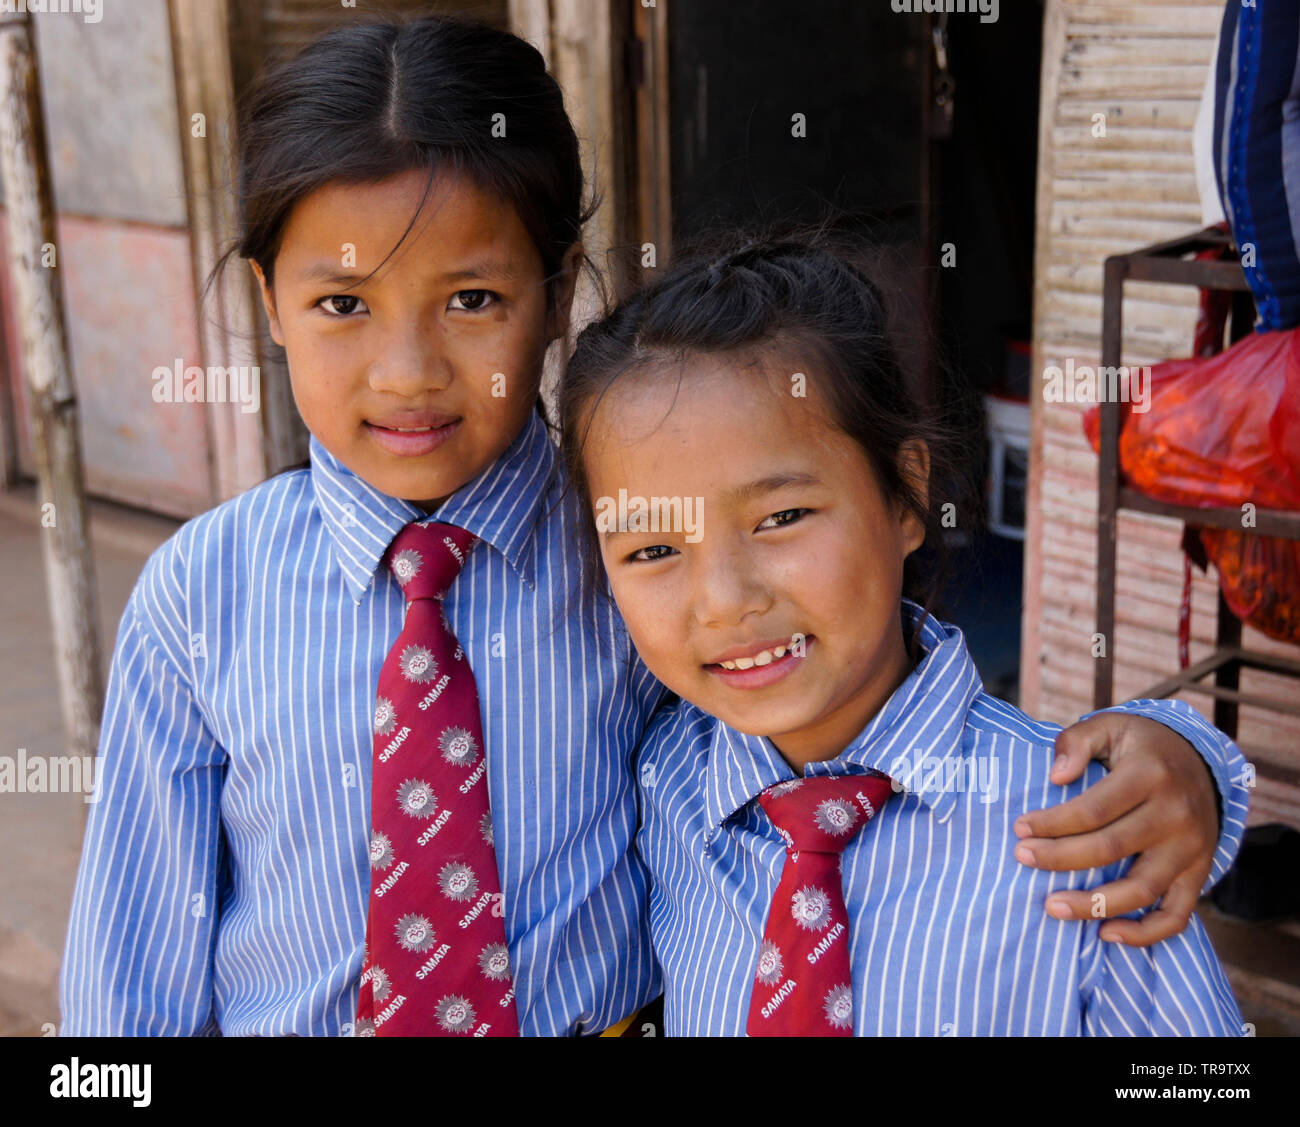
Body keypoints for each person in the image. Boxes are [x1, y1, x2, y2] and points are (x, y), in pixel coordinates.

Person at [61, 17, 1244, 1037]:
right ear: (270, 301)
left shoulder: (633, 548)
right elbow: (132, 965)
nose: (409, 369)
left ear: (560, 284)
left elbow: (851, 695)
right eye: (340, 304)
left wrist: (1180, 755)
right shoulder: (198, 595)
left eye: (472, 297)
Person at [558, 229, 1250, 1035]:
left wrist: (1198, 760)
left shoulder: (1085, 825)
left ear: (907, 497)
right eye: (652, 549)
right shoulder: (659, 783)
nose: (723, 600)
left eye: (782, 516)